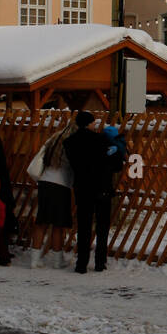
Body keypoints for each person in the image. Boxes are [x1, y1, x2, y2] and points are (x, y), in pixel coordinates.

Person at [64, 111, 123, 274]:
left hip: (82, 188)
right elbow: (116, 164)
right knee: (102, 225)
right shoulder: (101, 140)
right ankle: (99, 261)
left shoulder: (69, 142)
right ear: (90, 123)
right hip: (102, 186)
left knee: (84, 225)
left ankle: (81, 263)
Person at [29, 119, 76, 268]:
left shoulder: (53, 139)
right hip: (61, 185)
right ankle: (57, 259)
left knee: (41, 222)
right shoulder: (71, 143)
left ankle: (34, 260)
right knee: (58, 224)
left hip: (45, 182)